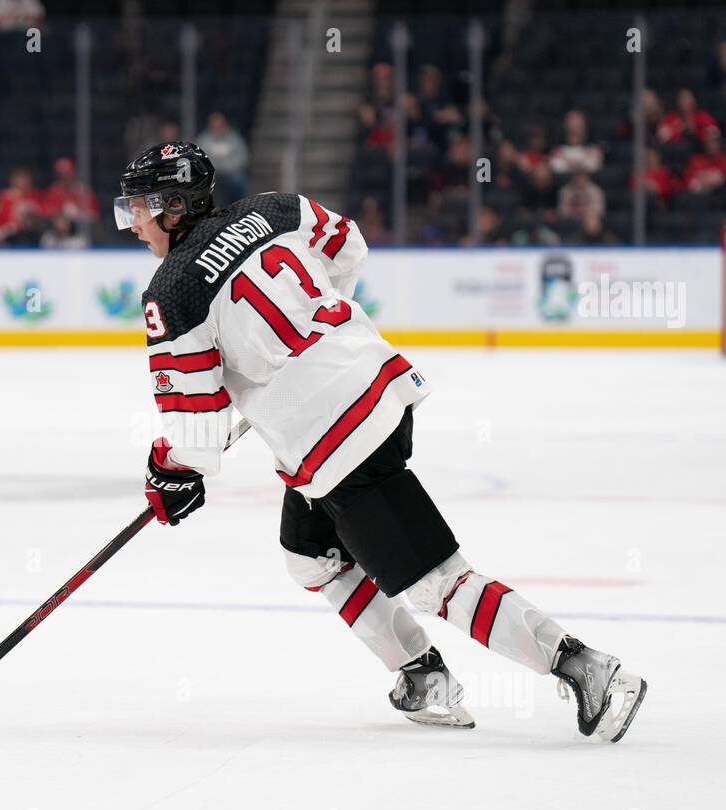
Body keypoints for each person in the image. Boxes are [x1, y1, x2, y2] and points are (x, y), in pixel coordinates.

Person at [114, 141, 647, 741]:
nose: (132, 223)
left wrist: (170, 469)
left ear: (174, 206)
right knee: (308, 552)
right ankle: (423, 676)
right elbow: (348, 247)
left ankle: (586, 667)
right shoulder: (277, 209)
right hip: (381, 392)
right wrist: (313, 330)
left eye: (138, 208)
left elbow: (198, 428)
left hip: (336, 442)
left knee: (437, 582)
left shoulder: (173, 291)